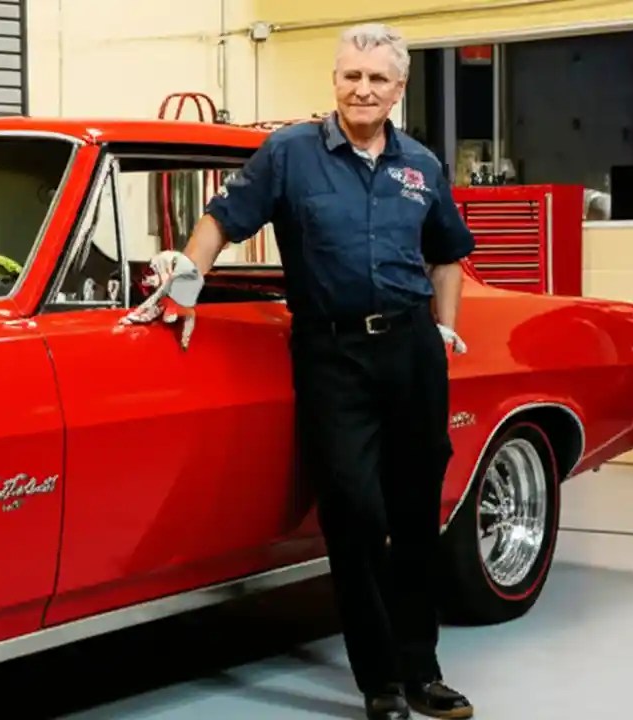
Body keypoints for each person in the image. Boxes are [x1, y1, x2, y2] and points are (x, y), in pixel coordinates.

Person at [139, 22, 477, 720]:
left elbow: (448, 252)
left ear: (398, 90)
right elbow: (222, 219)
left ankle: (422, 670)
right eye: (351, 75)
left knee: (416, 515)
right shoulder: (290, 154)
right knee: (355, 513)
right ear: (335, 81)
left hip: (413, 350)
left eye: (377, 79)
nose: (363, 88)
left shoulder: (422, 165)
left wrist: (445, 329)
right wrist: (184, 284)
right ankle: (379, 681)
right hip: (333, 355)